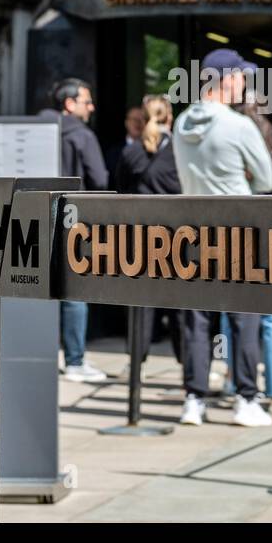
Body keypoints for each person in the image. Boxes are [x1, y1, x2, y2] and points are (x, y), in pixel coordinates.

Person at [172, 49, 272, 427]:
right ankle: (246, 398)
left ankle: (193, 399)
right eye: (242, 78)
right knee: (243, 318)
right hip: (237, 230)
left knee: (196, 319)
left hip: (192, 231)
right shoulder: (238, 125)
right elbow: (266, 180)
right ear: (227, 79)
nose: (245, 84)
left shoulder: (181, 122)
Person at [39, 78, 109, 384]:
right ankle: (75, 360)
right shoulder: (82, 135)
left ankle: (42, 351)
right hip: (73, 217)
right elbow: (100, 178)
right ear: (70, 104)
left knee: (39, 287)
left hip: (36, 216)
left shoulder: (38, 129)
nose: (91, 107)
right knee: (74, 291)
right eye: (86, 101)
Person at [234, 93, 272, 415]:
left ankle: (237, 383)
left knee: (235, 314)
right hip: (271, 236)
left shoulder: (233, 146)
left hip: (235, 236)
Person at [116, 95, 181, 364]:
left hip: (138, 234)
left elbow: (118, 188)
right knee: (182, 303)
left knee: (140, 302)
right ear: (170, 118)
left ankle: (136, 364)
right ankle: (190, 368)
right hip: (178, 233)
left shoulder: (131, 152)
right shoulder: (179, 150)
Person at [107, 105, 146, 186]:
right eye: (134, 119)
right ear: (126, 122)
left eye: (141, 120)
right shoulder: (114, 151)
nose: (137, 123)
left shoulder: (151, 150)